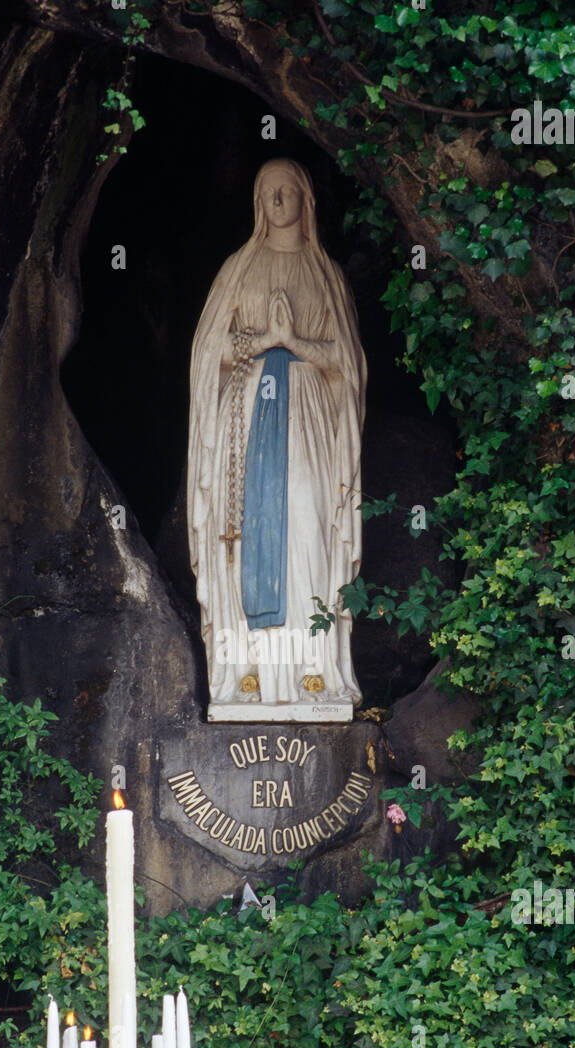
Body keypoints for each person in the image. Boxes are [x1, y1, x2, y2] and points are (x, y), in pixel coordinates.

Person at [187, 157, 366, 715]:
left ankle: (315, 671)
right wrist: (264, 341)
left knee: (308, 527)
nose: (280, 201)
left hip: (310, 417)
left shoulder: (326, 276)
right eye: (270, 193)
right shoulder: (237, 270)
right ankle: (250, 677)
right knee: (245, 537)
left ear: (306, 200)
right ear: (258, 205)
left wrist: (297, 344)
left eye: (289, 191)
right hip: (247, 416)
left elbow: (350, 365)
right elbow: (207, 356)